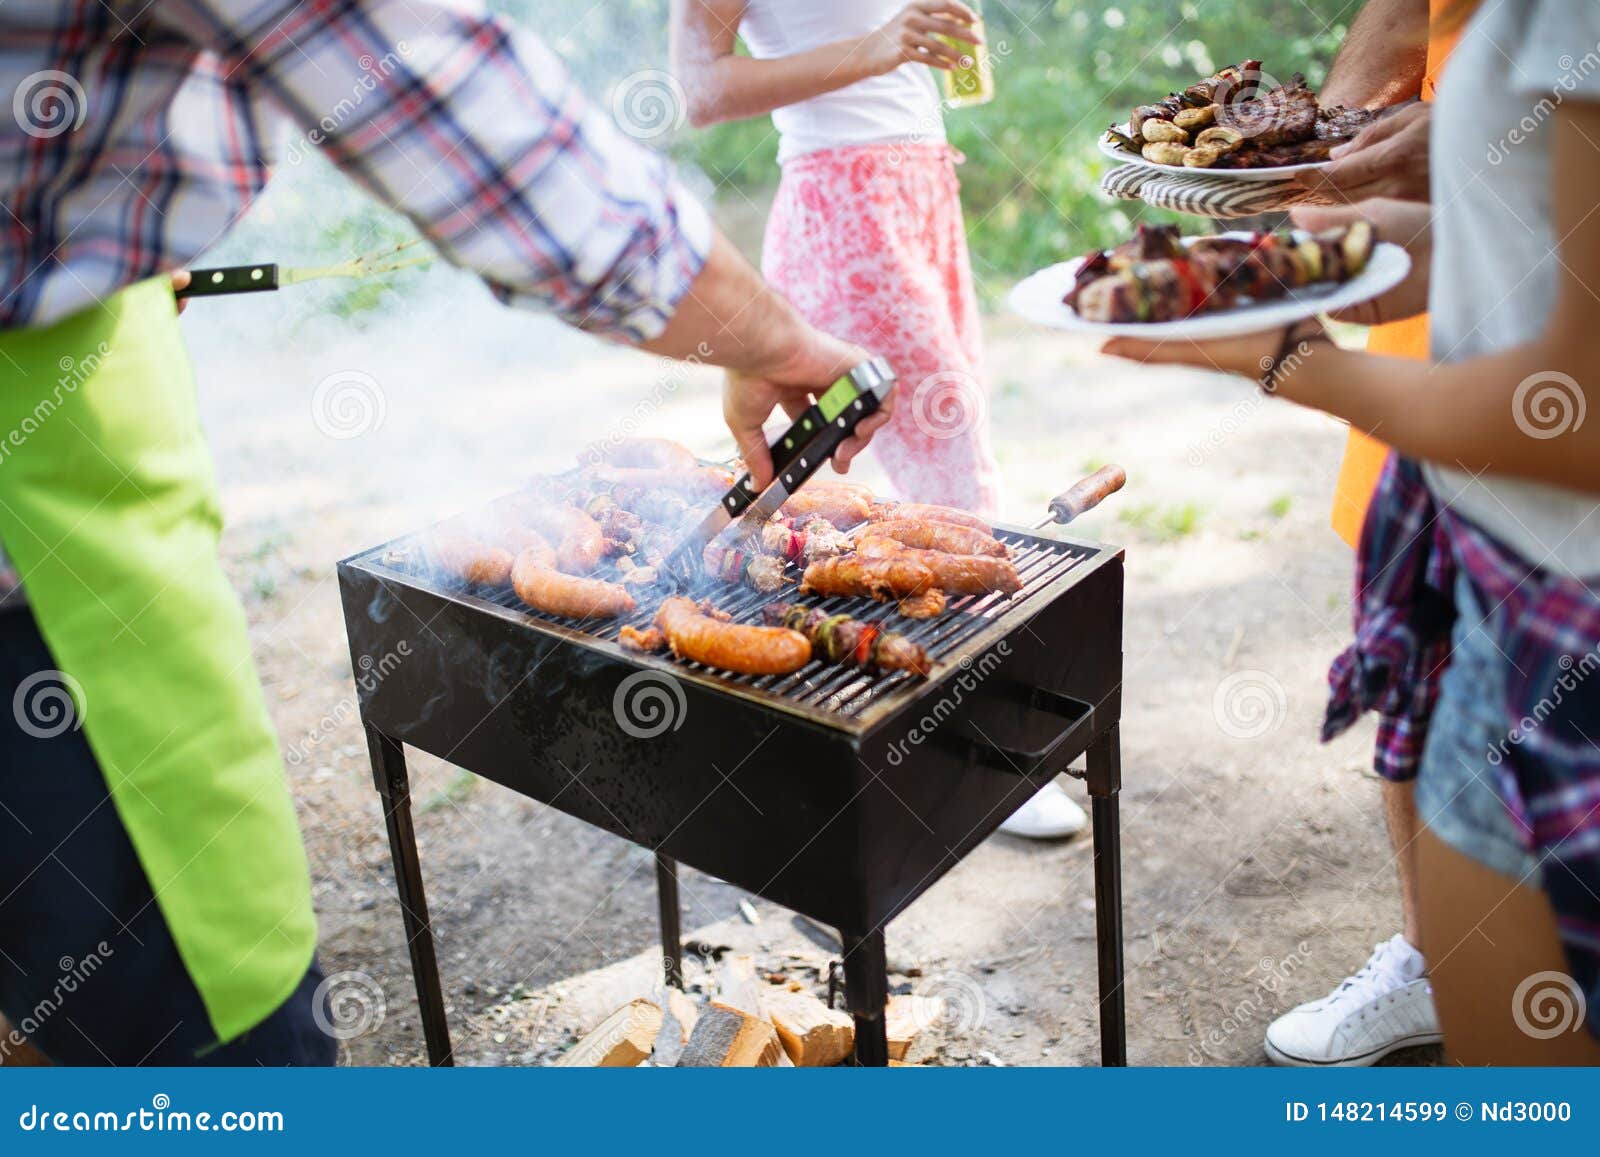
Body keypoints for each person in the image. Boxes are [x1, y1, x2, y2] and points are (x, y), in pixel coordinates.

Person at [0, 0, 887, 1065]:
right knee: (212, 1043)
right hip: (40, 556)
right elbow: (471, 119)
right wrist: (773, 339)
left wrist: (97, 250)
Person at [1105, 0, 1600, 1064]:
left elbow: (1579, 415)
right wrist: (1361, 253)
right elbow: (1544, 241)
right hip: (1503, 588)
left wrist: (1291, 360)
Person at [671, 0, 1084, 840]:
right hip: (846, 199)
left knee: (843, 468)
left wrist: (903, 43)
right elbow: (700, 89)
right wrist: (877, 46)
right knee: (943, 461)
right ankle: (983, 746)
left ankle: (808, 714)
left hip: (921, 182)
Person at [1255, 0, 1457, 1067]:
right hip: (1448, 293)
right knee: (1423, 648)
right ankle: (1437, 962)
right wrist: (1298, 166)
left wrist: (1484, 146)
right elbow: (1404, 18)